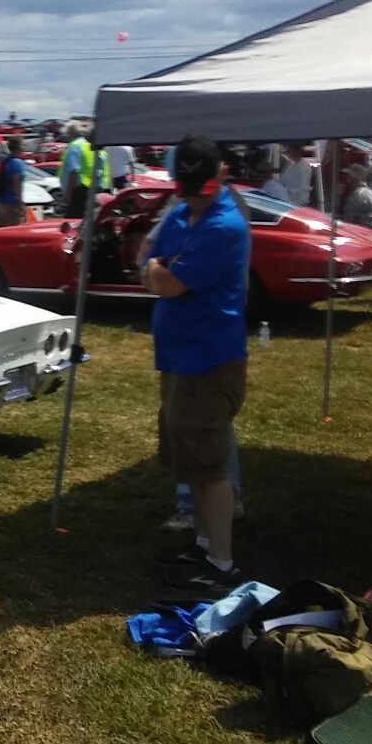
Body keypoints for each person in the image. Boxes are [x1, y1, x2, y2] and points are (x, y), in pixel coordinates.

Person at [143, 135, 250, 595]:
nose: (189, 194)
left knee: (209, 464)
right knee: (189, 458)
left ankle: (222, 563)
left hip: (208, 360)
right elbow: (150, 263)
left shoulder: (223, 226)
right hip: (180, 358)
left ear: (221, 175)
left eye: (199, 186)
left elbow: (168, 283)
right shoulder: (185, 212)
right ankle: (205, 543)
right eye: (183, 186)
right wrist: (159, 269)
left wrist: (160, 271)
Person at [60, 120, 104, 218]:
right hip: (93, 188)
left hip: (79, 191)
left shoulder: (74, 146)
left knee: (73, 221)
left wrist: (68, 193)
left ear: (69, 133)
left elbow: (74, 171)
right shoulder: (87, 144)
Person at [279, 143, 325, 211]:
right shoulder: (291, 165)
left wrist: (287, 192)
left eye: (290, 151)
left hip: (298, 202)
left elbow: (304, 188)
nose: (288, 153)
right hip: (288, 199)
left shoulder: (304, 167)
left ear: (297, 151)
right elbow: (283, 180)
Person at [0, 139, 29, 227]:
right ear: (18, 147)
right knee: (18, 227)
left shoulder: (5, 160)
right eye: (23, 145)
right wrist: (20, 201)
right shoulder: (17, 163)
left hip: (2, 199)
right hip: (13, 201)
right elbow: (16, 184)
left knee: (4, 228)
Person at [339, 164, 372, 229]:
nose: (347, 177)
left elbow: (350, 218)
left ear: (355, 177)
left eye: (349, 175)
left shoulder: (360, 193)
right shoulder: (361, 190)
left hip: (366, 231)